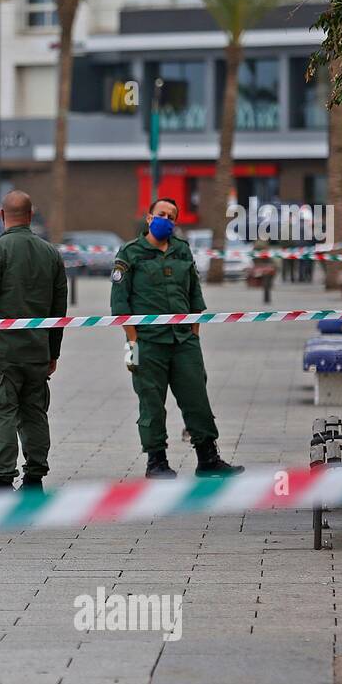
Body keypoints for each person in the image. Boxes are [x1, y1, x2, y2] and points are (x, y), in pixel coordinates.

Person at [112, 198, 243, 479]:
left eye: (171, 216)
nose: (166, 220)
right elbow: (120, 306)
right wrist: (132, 343)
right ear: (149, 218)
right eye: (161, 214)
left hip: (184, 343)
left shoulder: (182, 251)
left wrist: (193, 336)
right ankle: (156, 462)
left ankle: (208, 458)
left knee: (197, 400)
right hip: (146, 344)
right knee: (151, 405)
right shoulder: (131, 254)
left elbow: (195, 297)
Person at [0, 190, 67, 491]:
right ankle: (34, 479)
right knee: (34, 414)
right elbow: (59, 310)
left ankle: (3, 482)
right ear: (31, 216)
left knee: (1, 414)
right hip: (36, 353)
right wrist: (52, 352)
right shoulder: (51, 253)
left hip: (1, 354)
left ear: (3, 215)